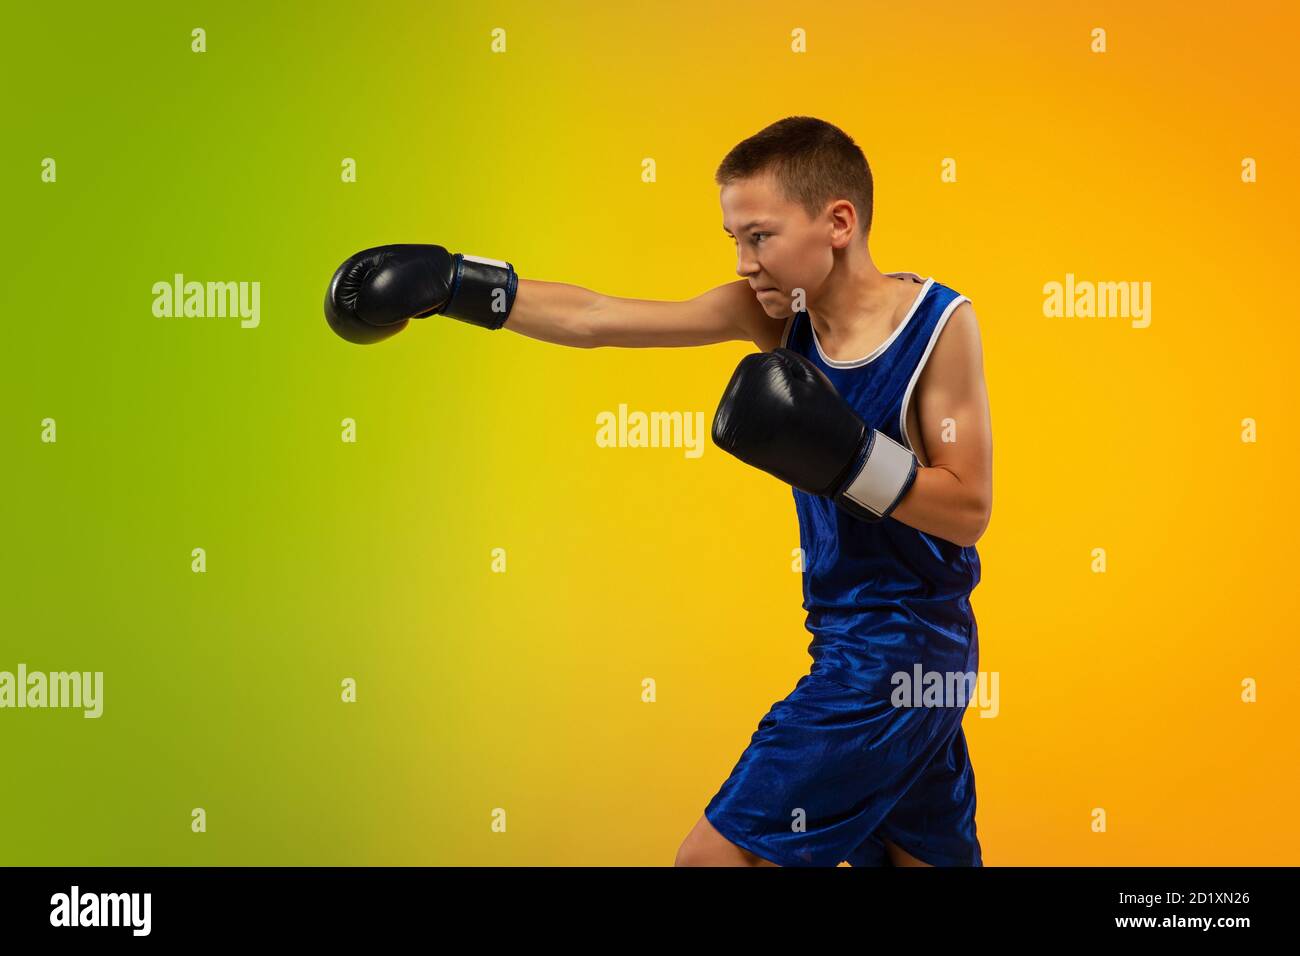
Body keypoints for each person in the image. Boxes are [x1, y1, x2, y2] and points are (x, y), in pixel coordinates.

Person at [324, 116, 992, 867]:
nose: (743, 263)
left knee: (709, 860)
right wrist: (456, 286)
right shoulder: (778, 318)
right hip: (855, 638)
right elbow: (599, 319)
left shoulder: (936, 325)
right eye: (732, 239)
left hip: (899, 650)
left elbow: (968, 510)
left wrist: (848, 457)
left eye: (760, 237)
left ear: (838, 222)